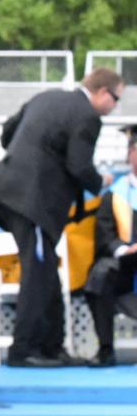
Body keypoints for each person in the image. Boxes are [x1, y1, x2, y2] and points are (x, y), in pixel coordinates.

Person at [0, 67, 124, 367]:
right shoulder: (87, 115)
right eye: (115, 99)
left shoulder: (47, 97)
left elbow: (7, 131)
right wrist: (101, 182)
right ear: (102, 92)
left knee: (45, 266)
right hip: (31, 201)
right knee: (37, 270)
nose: (115, 107)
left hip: (9, 191)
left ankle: (51, 346)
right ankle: (23, 350)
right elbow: (79, 166)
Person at [84, 124, 137, 367]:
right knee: (101, 274)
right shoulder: (116, 194)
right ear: (130, 155)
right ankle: (105, 349)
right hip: (126, 264)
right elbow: (104, 235)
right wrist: (125, 249)